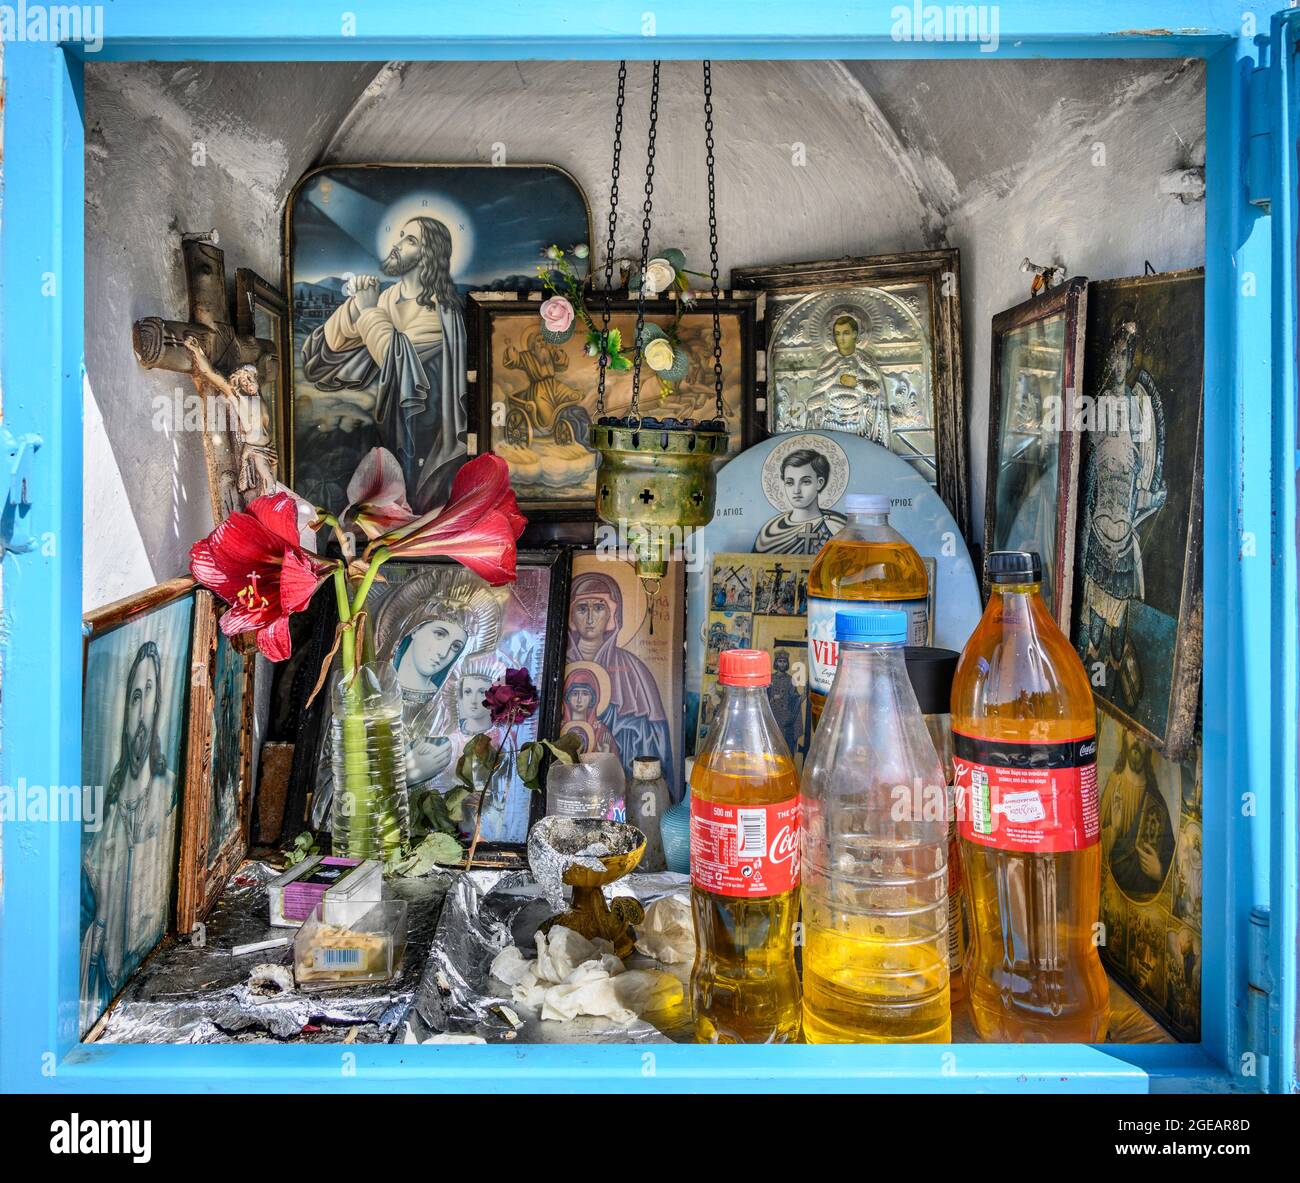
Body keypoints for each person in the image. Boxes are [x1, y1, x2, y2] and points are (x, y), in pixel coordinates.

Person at [301, 216, 468, 511]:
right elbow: (336, 347)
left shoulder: (441, 310)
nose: (398, 245)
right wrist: (356, 306)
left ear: (428, 255)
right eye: (401, 236)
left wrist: (367, 311)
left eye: (410, 240)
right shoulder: (389, 297)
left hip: (420, 427)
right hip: (384, 419)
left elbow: (399, 363)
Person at [80, 641, 178, 1032]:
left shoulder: (168, 791)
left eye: (149, 693)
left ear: (157, 707)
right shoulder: (110, 808)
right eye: (134, 696)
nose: (140, 711)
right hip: (101, 983)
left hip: (147, 972)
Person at [566, 570, 676, 799]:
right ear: (570, 617)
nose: (590, 618)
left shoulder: (634, 670)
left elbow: (652, 744)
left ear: (613, 615)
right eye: (582, 608)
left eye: (599, 607)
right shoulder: (558, 665)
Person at [806, 313, 890, 441]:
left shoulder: (864, 360)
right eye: (837, 334)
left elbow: (876, 390)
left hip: (859, 426)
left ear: (855, 334)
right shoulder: (829, 362)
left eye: (845, 333)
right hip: (830, 424)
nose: (841, 338)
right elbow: (811, 403)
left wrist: (856, 383)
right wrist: (829, 393)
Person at [754, 447, 847, 555]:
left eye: (805, 482)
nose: (796, 490)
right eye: (789, 482)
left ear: (819, 483)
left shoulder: (838, 527)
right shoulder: (770, 530)